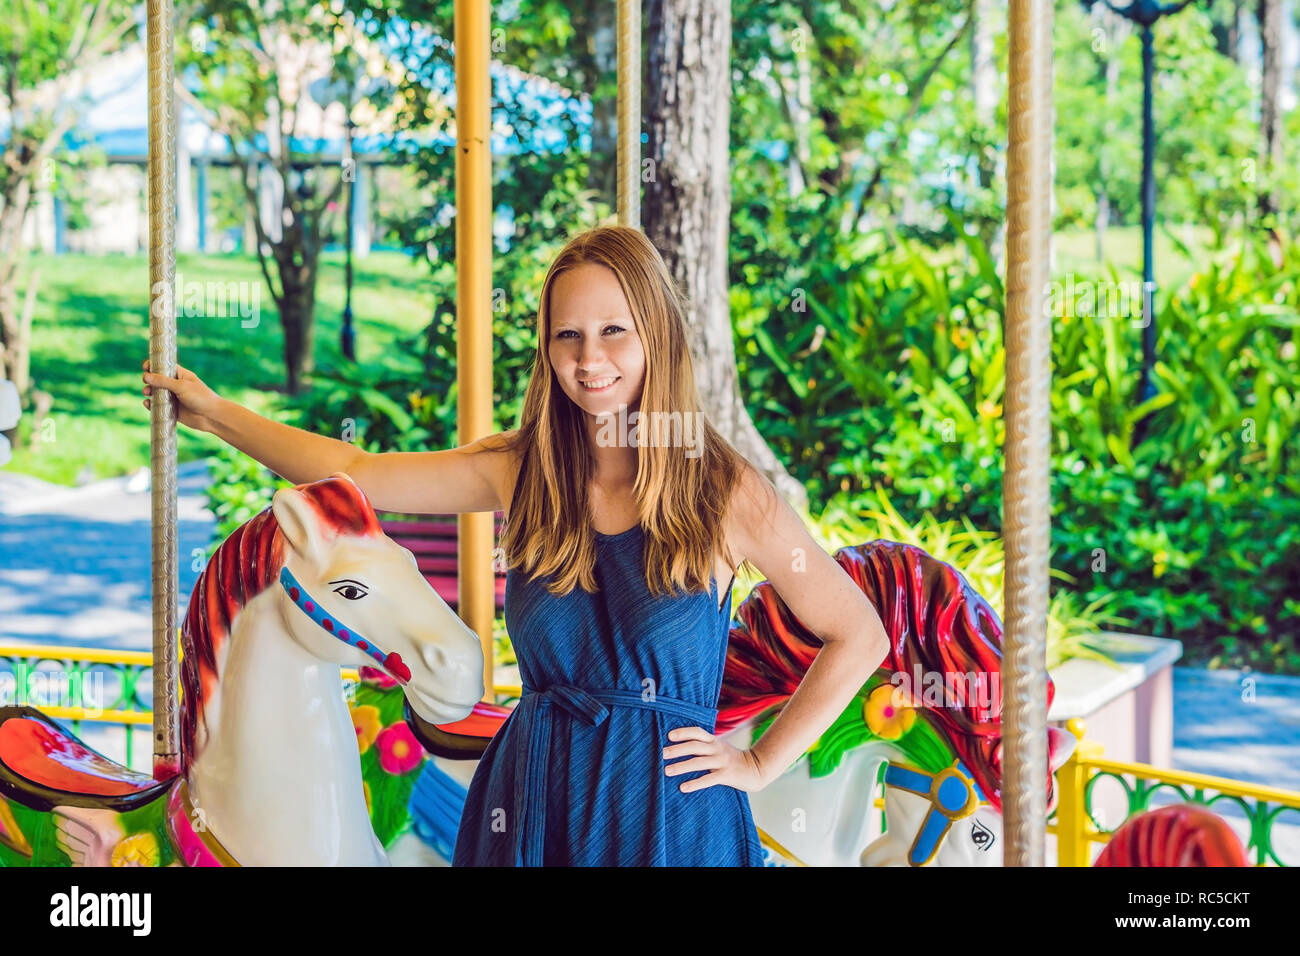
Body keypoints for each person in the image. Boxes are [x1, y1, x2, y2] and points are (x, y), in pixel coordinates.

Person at [142, 224, 889, 866]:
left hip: (668, 816)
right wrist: (217, 416)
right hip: (533, 800)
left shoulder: (724, 491)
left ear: (656, 334)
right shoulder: (521, 468)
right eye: (567, 335)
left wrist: (760, 762)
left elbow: (858, 634)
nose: (588, 357)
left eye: (612, 331)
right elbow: (359, 472)